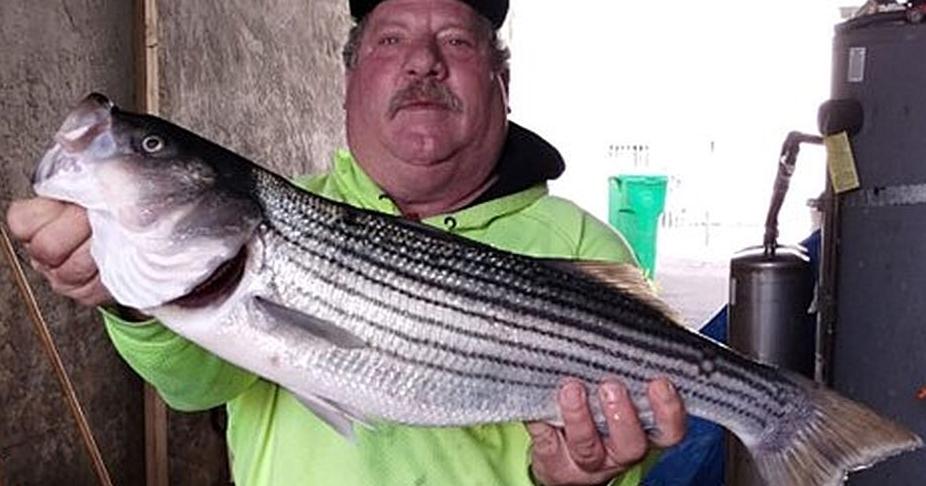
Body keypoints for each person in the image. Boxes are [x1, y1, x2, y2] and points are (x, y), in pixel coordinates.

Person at [6, 0, 687, 484]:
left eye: (456, 40)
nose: (423, 62)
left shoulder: (581, 241)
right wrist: (127, 299)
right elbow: (192, 386)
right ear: (350, 79)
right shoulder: (292, 206)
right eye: (390, 40)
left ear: (500, 83)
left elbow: (641, 434)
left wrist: (586, 479)